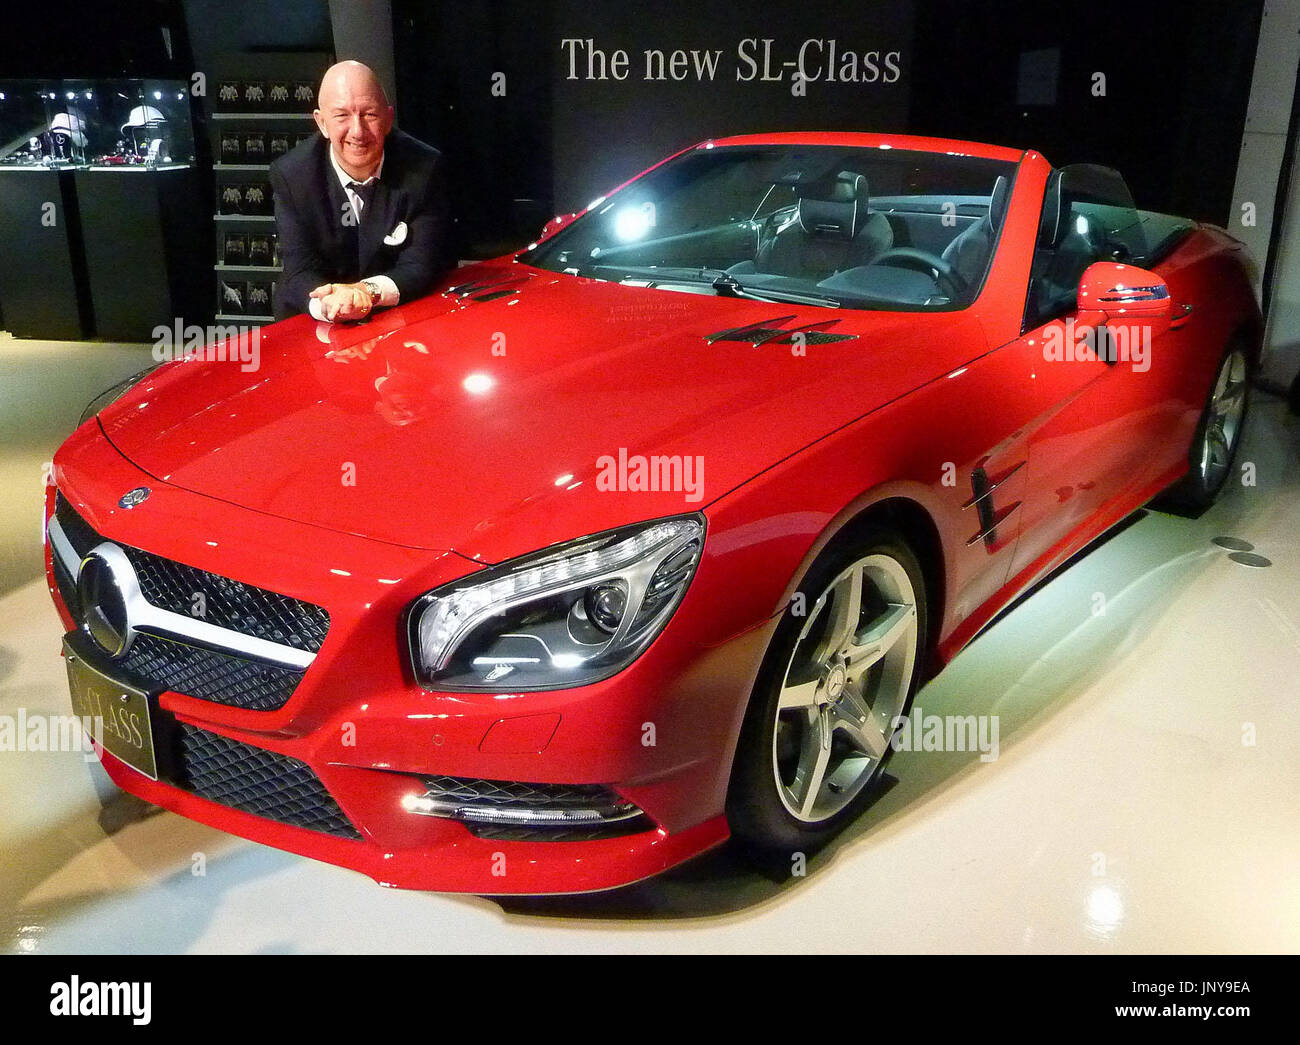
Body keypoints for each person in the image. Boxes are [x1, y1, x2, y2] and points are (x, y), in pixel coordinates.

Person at [269, 61, 451, 322]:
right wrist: (334, 305)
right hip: (314, 320)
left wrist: (365, 292)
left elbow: (420, 266)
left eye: (369, 115)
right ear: (321, 123)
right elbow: (299, 272)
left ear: (388, 119)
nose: (358, 131)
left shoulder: (424, 168)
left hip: (398, 317)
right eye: (342, 115)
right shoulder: (291, 176)